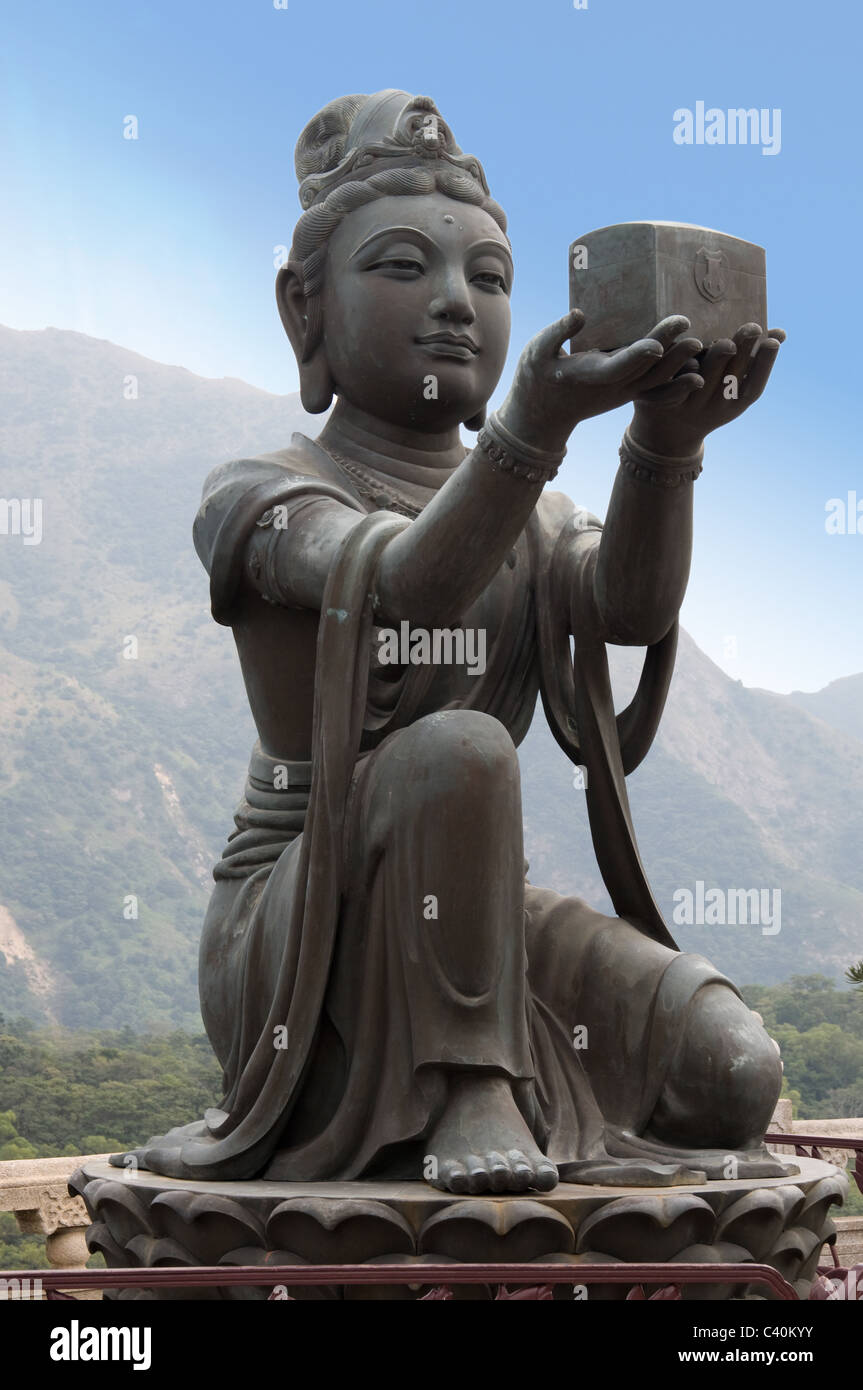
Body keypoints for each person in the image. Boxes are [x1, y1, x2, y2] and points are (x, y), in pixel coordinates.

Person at [114, 90, 790, 1194]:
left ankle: (500, 1073)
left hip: (483, 928)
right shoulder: (264, 496)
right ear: (304, 311)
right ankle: (469, 1086)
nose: (454, 306)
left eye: (486, 278)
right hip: (303, 928)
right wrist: (529, 430)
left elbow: (624, 608)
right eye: (401, 268)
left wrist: (662, 444)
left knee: (732, 1071)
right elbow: (399, 581)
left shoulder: (532, 515)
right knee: (460, 749)